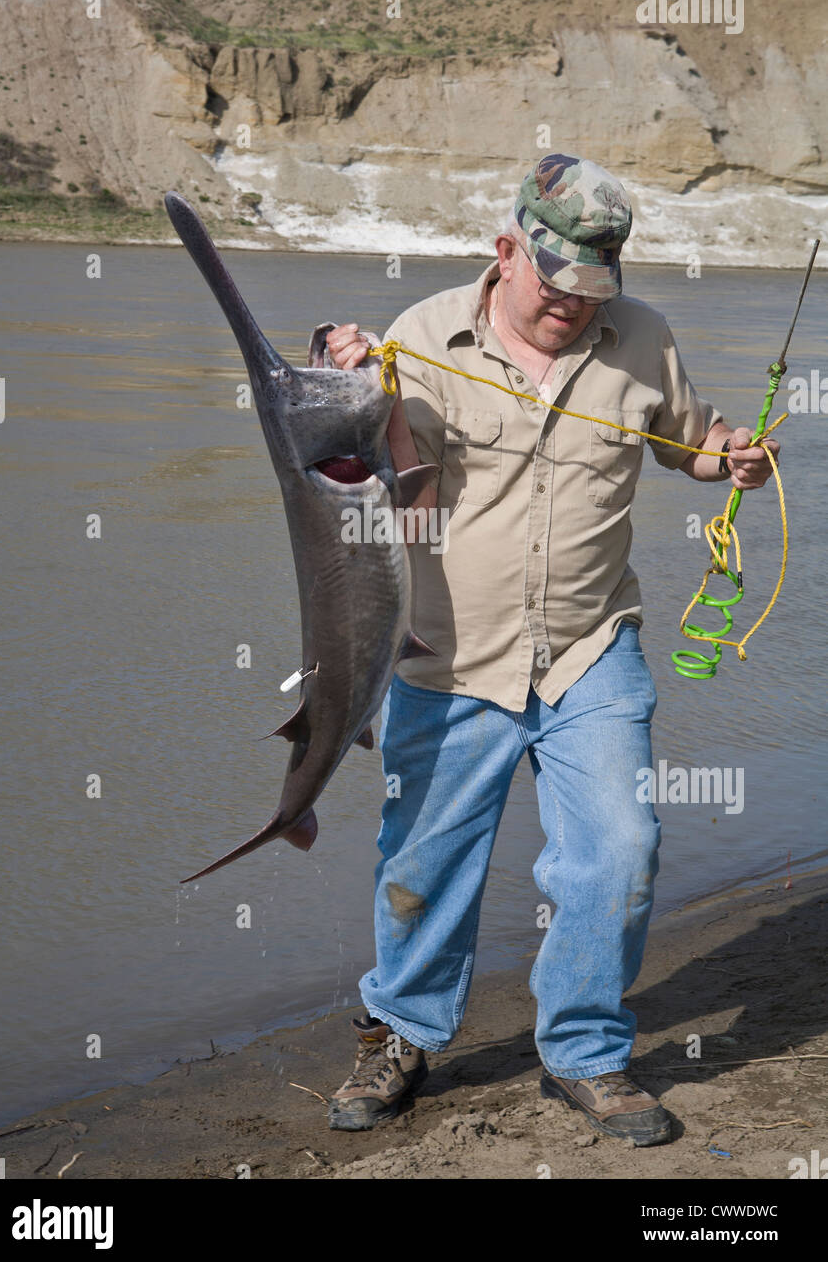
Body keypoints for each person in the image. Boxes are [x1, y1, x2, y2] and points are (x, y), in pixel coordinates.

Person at [320, 153, 779, 1146]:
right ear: (505, 250)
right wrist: (355, 392)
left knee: (618, 853)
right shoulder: (419, 336)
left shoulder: (641, 335)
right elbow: (389, 494)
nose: (570, 301)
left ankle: (582, 1050)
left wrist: (728, 459)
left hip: (587, 647)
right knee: (421, 864)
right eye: (553, 279)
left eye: (591, 285)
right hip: (448, 655)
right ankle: (398, 1035)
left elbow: (683, 441)